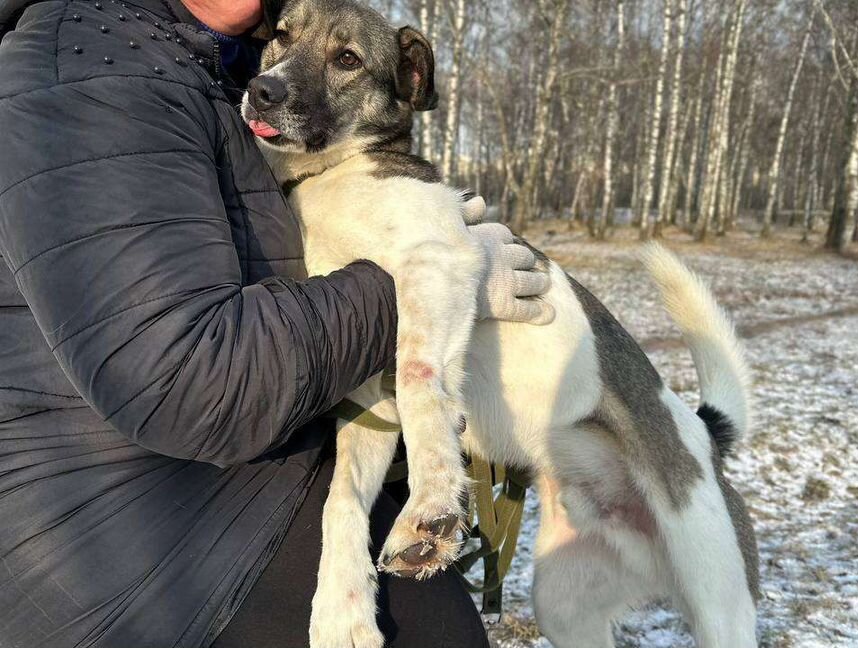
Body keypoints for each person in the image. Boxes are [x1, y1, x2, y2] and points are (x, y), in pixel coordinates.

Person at [0, 1, 551, 646]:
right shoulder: (89, 64)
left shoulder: (214, 57)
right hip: (114, 529)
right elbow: (190, 383)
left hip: (223, 459)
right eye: (288, 40)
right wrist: (420, 282)